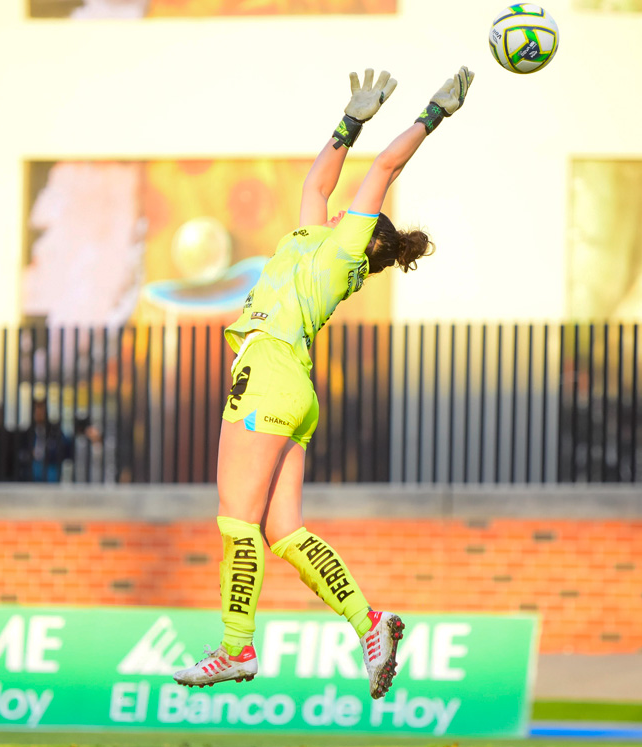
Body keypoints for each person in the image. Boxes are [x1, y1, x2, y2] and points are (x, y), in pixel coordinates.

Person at [172, 66, 474, 699]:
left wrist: (431, 113)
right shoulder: (313, 240)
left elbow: (382, 172)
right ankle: (370, 624)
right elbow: (318, 180)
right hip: (293, 390)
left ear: (365, 238)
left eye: (352, 216)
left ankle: (236, 647)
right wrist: (350, 122)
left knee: (237, 522)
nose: (338, 208)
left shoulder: (341, 253)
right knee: (284, 532)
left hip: (268, 371)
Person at [18, 398, 74, 482]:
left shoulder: (54, 431)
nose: (39, 413)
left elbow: (63, 449)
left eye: (42, 411)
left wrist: (48, 452)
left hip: (50, 466)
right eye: (37, 411)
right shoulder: (27, 432)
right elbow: (21, 452)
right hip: (32, 466)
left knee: (51, 472)